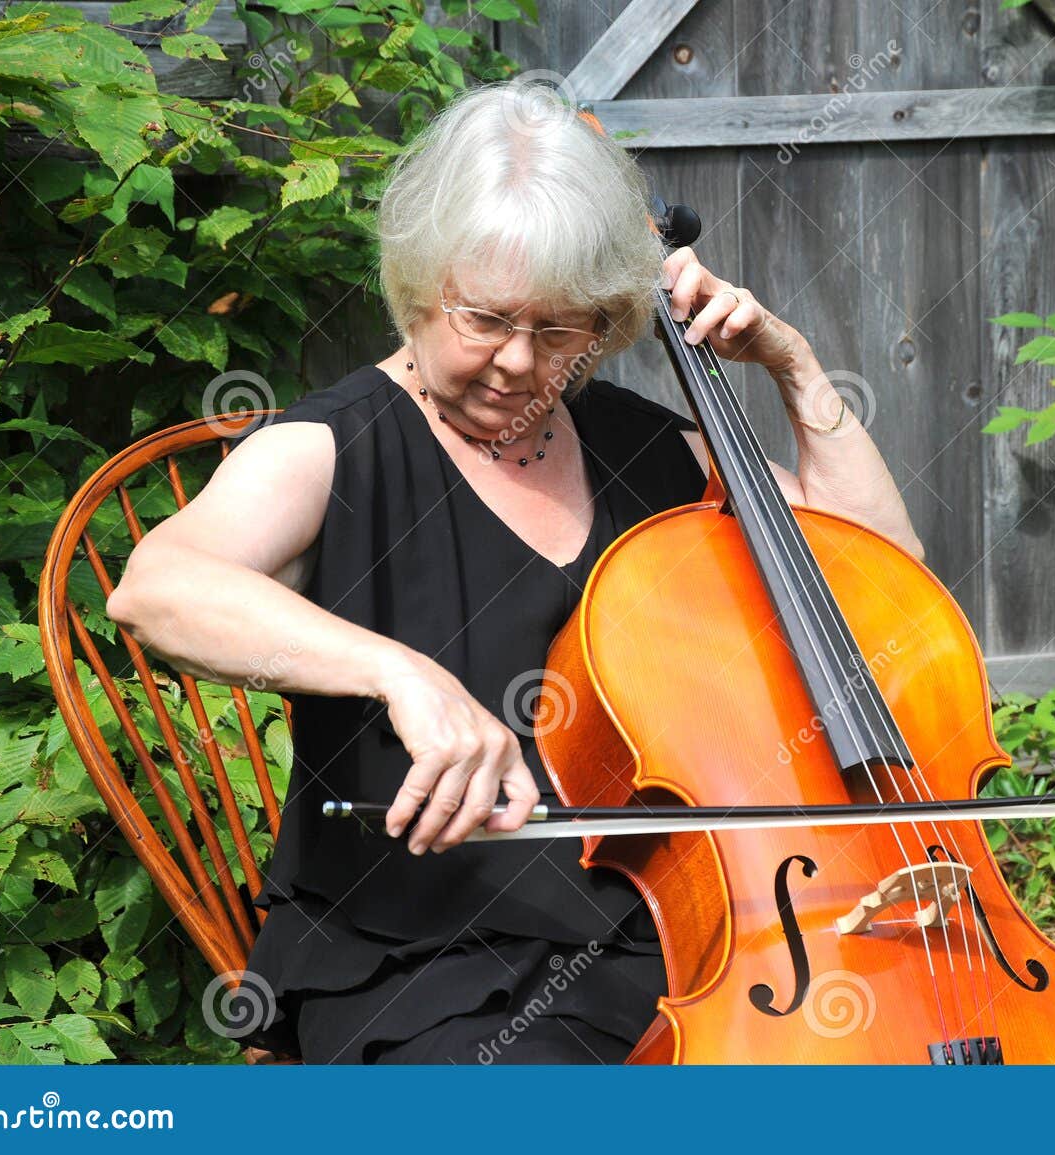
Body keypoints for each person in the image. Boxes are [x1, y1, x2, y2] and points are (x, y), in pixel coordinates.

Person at [105, 80, 925, 1064]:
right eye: (485, 319)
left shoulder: (648, 451)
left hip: (672, 936)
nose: (514, 364)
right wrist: (400, 672)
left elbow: (882, 578)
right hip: (426, 961)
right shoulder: (338, 445)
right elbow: (154, 591)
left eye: (557, 330)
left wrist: (790, 365)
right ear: (420, 285)